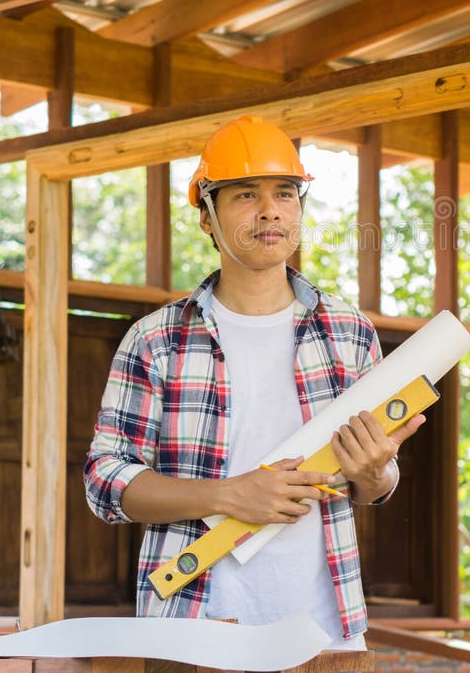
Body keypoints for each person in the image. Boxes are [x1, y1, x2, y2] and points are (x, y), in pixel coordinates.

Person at [84, 114, 425, 649]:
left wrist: (375, 472)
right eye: (246, 194)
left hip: (325, 630)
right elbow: (104, 482)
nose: (270, 210)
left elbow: (376, 487)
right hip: (192, 627)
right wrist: (228, 495)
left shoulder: (348, 331)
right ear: (207, 217)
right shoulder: (156, 339)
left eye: (286, 193)